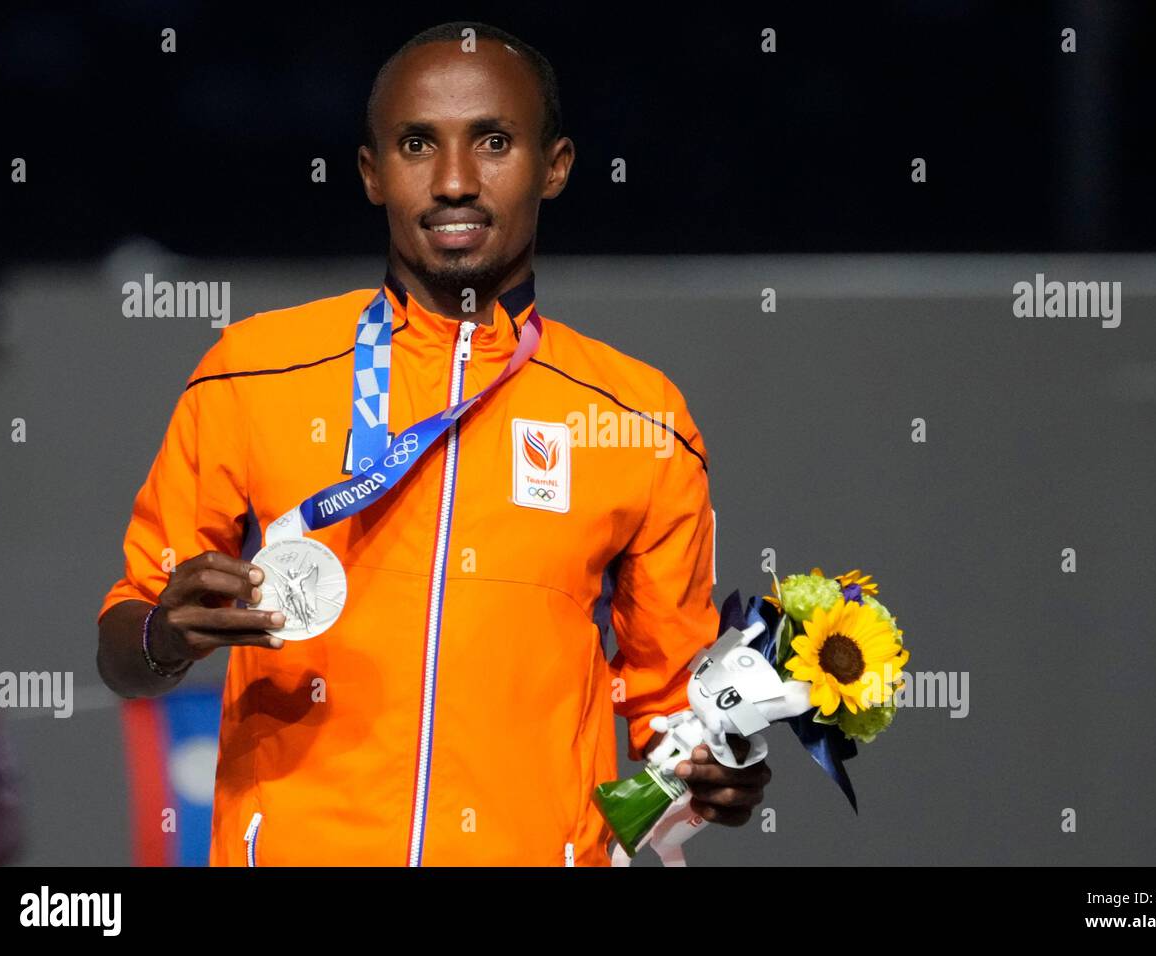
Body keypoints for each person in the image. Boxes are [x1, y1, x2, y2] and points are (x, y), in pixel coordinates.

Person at [96, 20, 771, 866]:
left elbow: (673, 717)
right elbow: (124, 647)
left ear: (555, 166)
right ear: (373, 174)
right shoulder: (251, 372)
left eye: (493, 141)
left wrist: (719, 775)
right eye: (418, 144)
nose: (455, 180)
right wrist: (163, 636)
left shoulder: (641, 419)